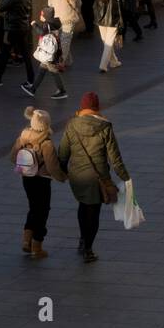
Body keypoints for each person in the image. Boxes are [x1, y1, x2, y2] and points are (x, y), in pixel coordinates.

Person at [57, 92, 129, 263]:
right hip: (98, 178)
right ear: (97, 107)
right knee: (93, 213)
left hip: (77, 176)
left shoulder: (71, 125)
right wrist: (125, 176)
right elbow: (114, 157)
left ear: (82, 107)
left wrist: (62, 170)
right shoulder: (105, 127)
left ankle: (82, 239)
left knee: (83, 205)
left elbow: (63, 152)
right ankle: (88, 248)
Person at [10, 107, 65, 258]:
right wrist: (63, 177)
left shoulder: (22, 137)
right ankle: (37, 247)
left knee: (33, 208)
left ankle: (26, 241)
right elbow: (53, 167)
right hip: (42, 181)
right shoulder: (46, 143)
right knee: (43, 211)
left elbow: (12, 157)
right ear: (46, 125)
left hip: (26, 178)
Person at [25, 6, 68, 100]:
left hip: (49, 52)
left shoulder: (47, 24)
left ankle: (62, 91)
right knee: (42, 70)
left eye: (42, 14)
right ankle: (33, 89)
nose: (40, 15)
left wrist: (34, 24)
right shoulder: (54, 22)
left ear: (46, 16)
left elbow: (41, 32)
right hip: (52, 51)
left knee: (54, 71)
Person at [49, 0, 82, 66]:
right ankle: (67, 60)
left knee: (60, 41)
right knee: (65, 40)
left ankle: (62, 62)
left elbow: (49, 3)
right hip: (69, 18)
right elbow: (79, 3)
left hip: (56, 18)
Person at [93, 0, 124, 74]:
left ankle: (114, 62)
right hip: (112, 20)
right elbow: (120, 6)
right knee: (108, 43)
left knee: (106, 42)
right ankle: (103, 65)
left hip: (100, 21)